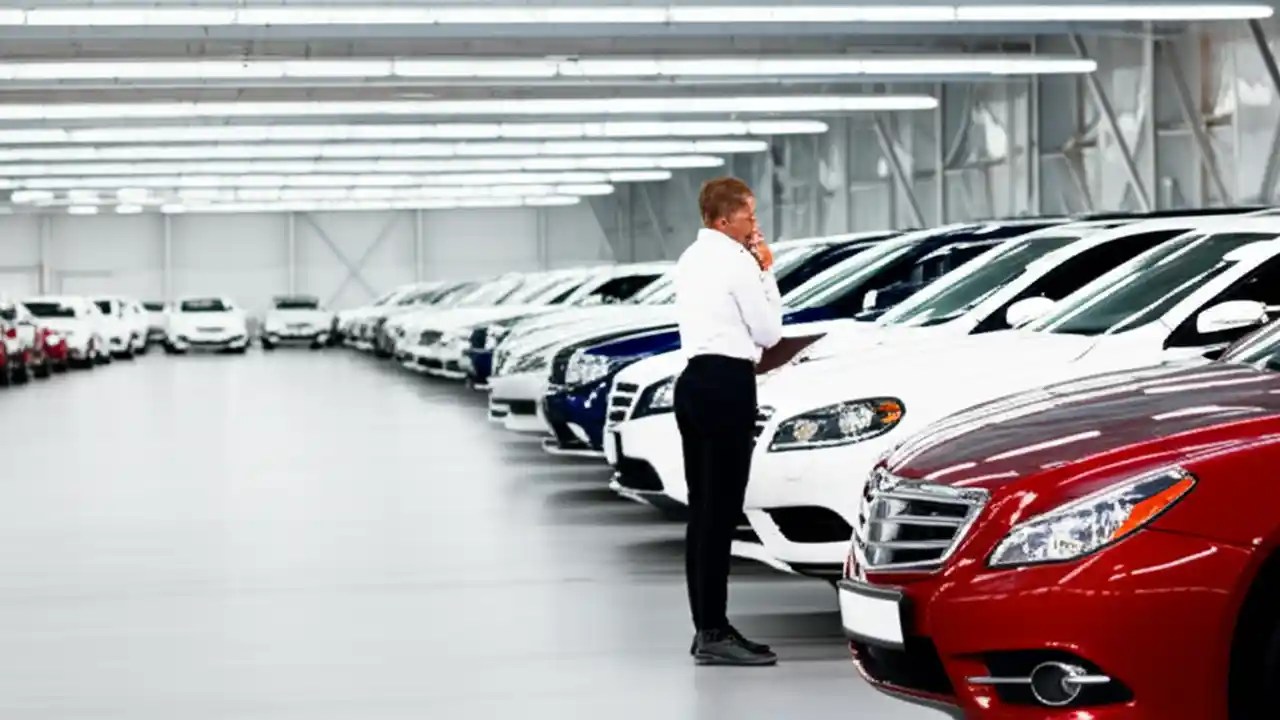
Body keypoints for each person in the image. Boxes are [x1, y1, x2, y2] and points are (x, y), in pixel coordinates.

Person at [673, 176, 783, 666]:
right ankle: (715, 631)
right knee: (720, 513)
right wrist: (767, 271)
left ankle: (706, 626)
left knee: (703, 513)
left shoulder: (690, 258)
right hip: (727, 385)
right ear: (724, 220)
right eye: (749, 216)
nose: (755, 225)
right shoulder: (737, 260)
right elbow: (769, 331)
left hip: (695, 383)